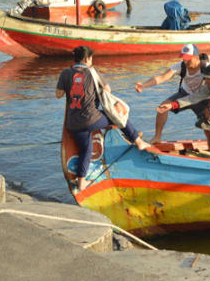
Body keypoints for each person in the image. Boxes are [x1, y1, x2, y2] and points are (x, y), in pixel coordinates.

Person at [56, 46, 150, 191]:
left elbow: (58, 94)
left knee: (86, 149)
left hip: (73, 123)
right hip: (92, 119)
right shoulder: (92, 72)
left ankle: (81, 182)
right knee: (119, 117)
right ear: (87, 59)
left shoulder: (65, 73)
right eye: (91, 58)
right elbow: (107, 89)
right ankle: (138, 142)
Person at [134, 43, 210, 154]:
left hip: (202, 99)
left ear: (196, 57)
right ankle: (157, 136)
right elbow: (161, 77)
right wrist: (143, 85)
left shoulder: (207, 67)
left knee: (209, 131)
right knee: (162, 107)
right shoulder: (181, 66)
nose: (185, 62)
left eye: (188, 59)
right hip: (184, 94)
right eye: (184, 59)